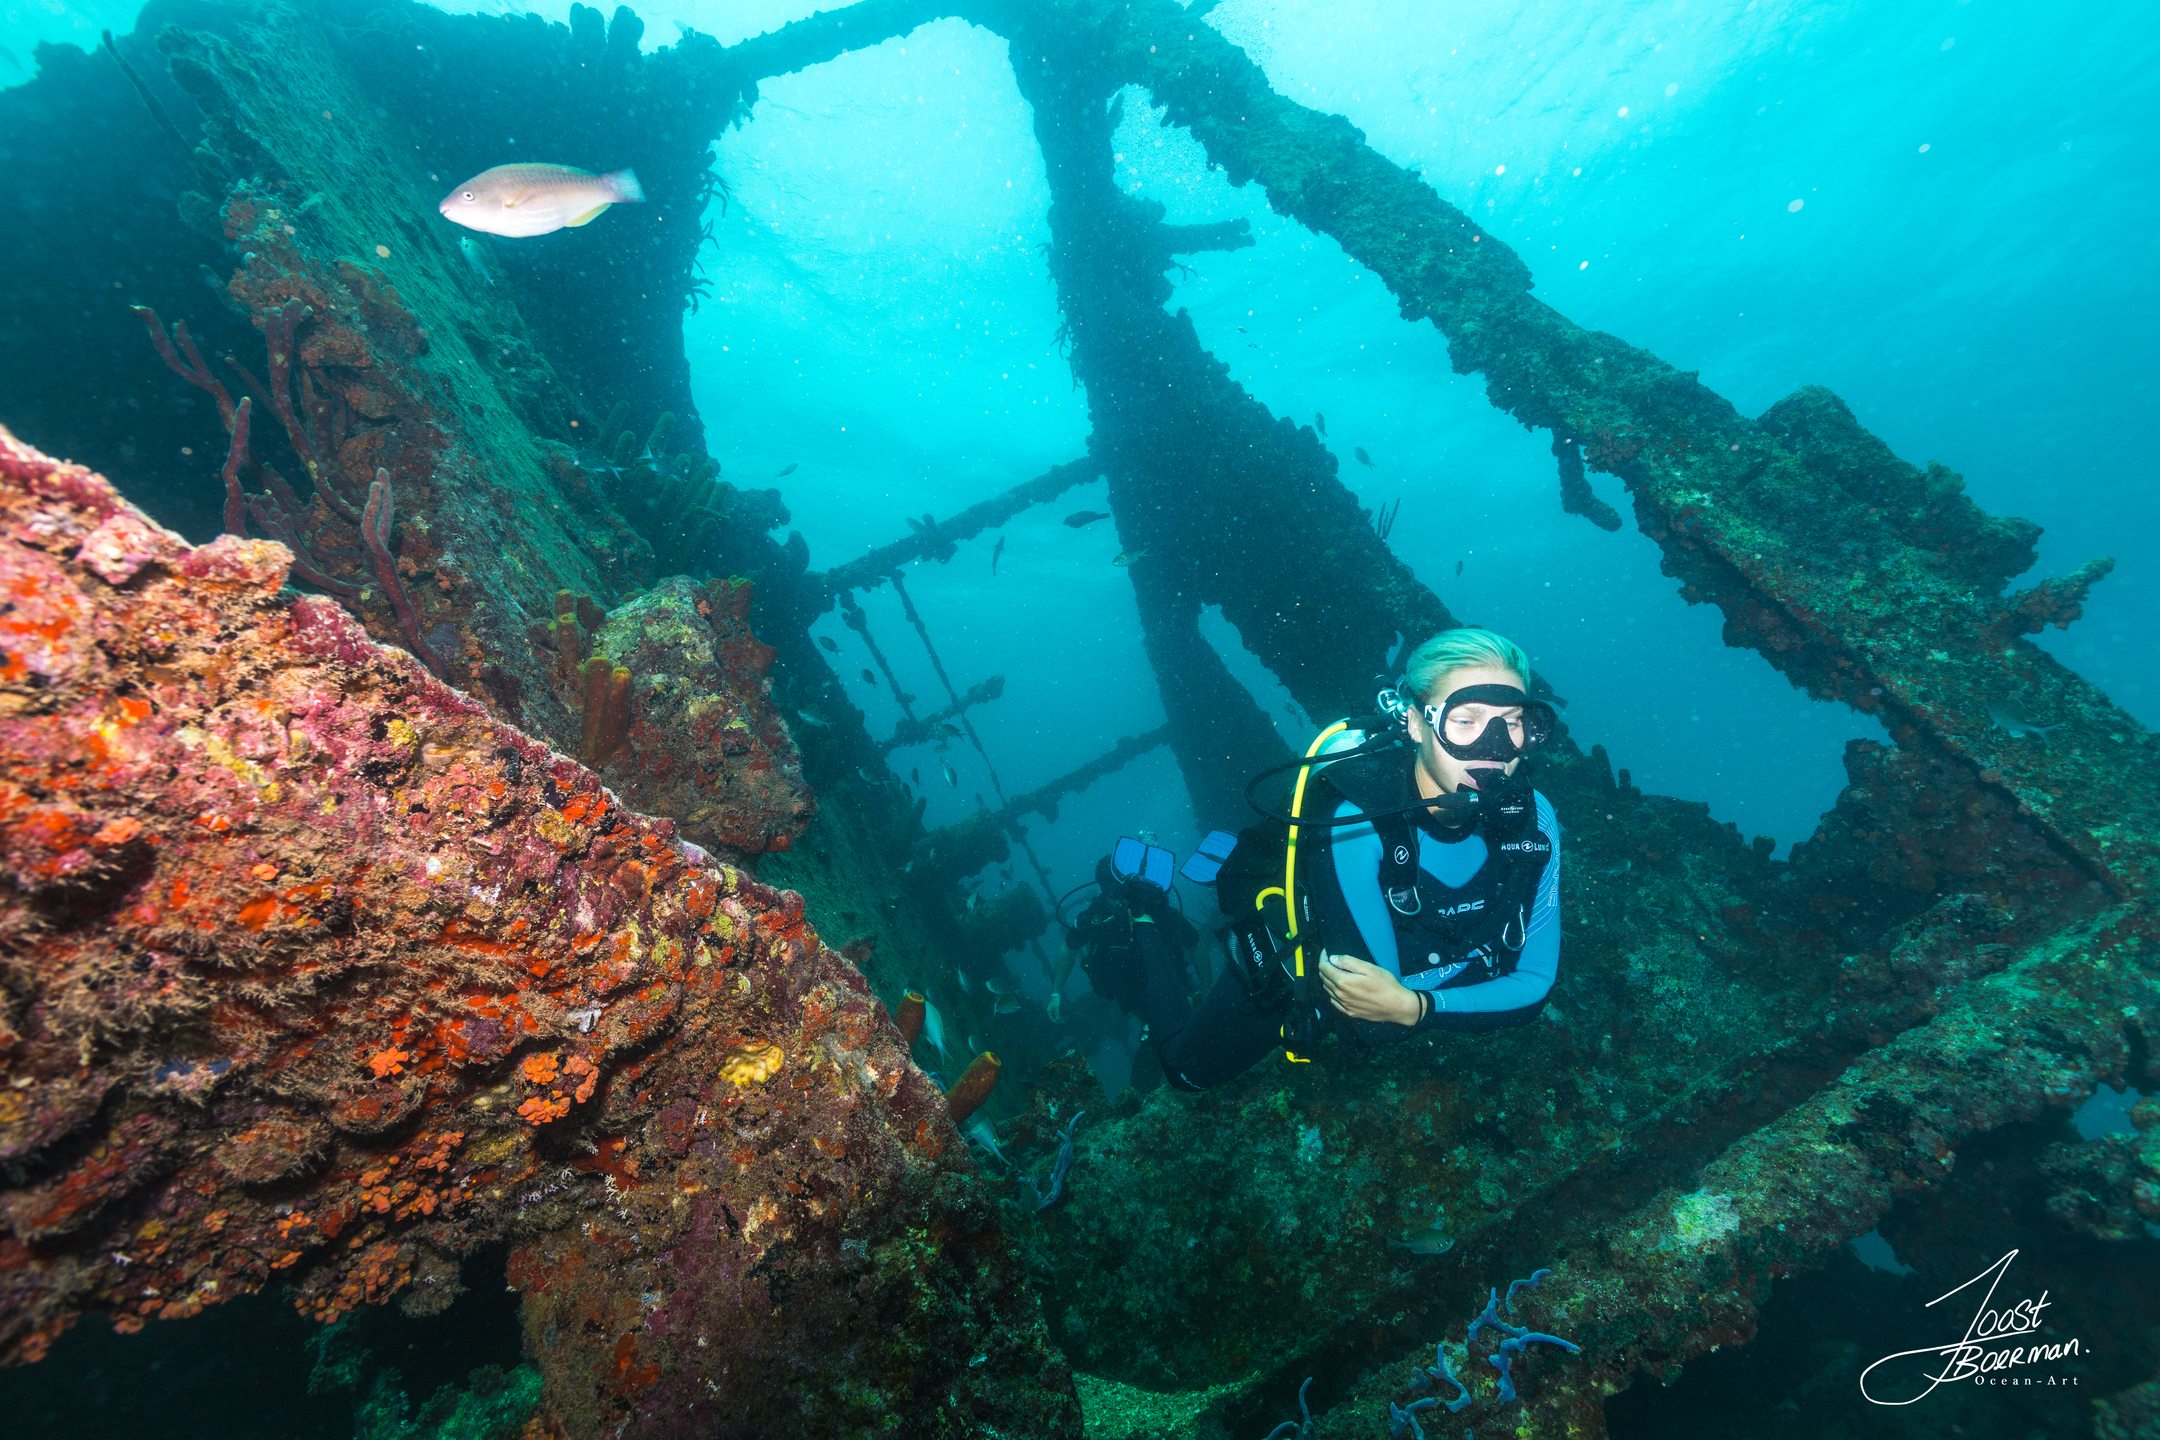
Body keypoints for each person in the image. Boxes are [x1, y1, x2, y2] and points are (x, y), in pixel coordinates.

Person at [1149, 627, 1563, 1091]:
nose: (1496, 750)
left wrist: (1415, 1005)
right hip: (1295, 979)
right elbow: (1376, 1023)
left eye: (1510, 723)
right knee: (1187, 1073)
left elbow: (1536, 984)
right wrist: (1437, 998)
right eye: (1465, 720)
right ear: (1414, 723)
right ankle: (1148, 947)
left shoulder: (1535, 816)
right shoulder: (1354, 825)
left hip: (1412, 976)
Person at [1047, 846, 1205, 1055]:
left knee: (1189, 1031)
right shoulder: (1095, 917)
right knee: (1157, 1044)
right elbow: (1069, 947)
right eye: (1112, 893)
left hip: (1172, 987)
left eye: (1123, 891)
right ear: (1103, 891)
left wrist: (1208, 985)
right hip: (1128, 994)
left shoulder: (1157, 911)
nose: (1121, 900)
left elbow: (1195, 942)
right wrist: (1056, 993)